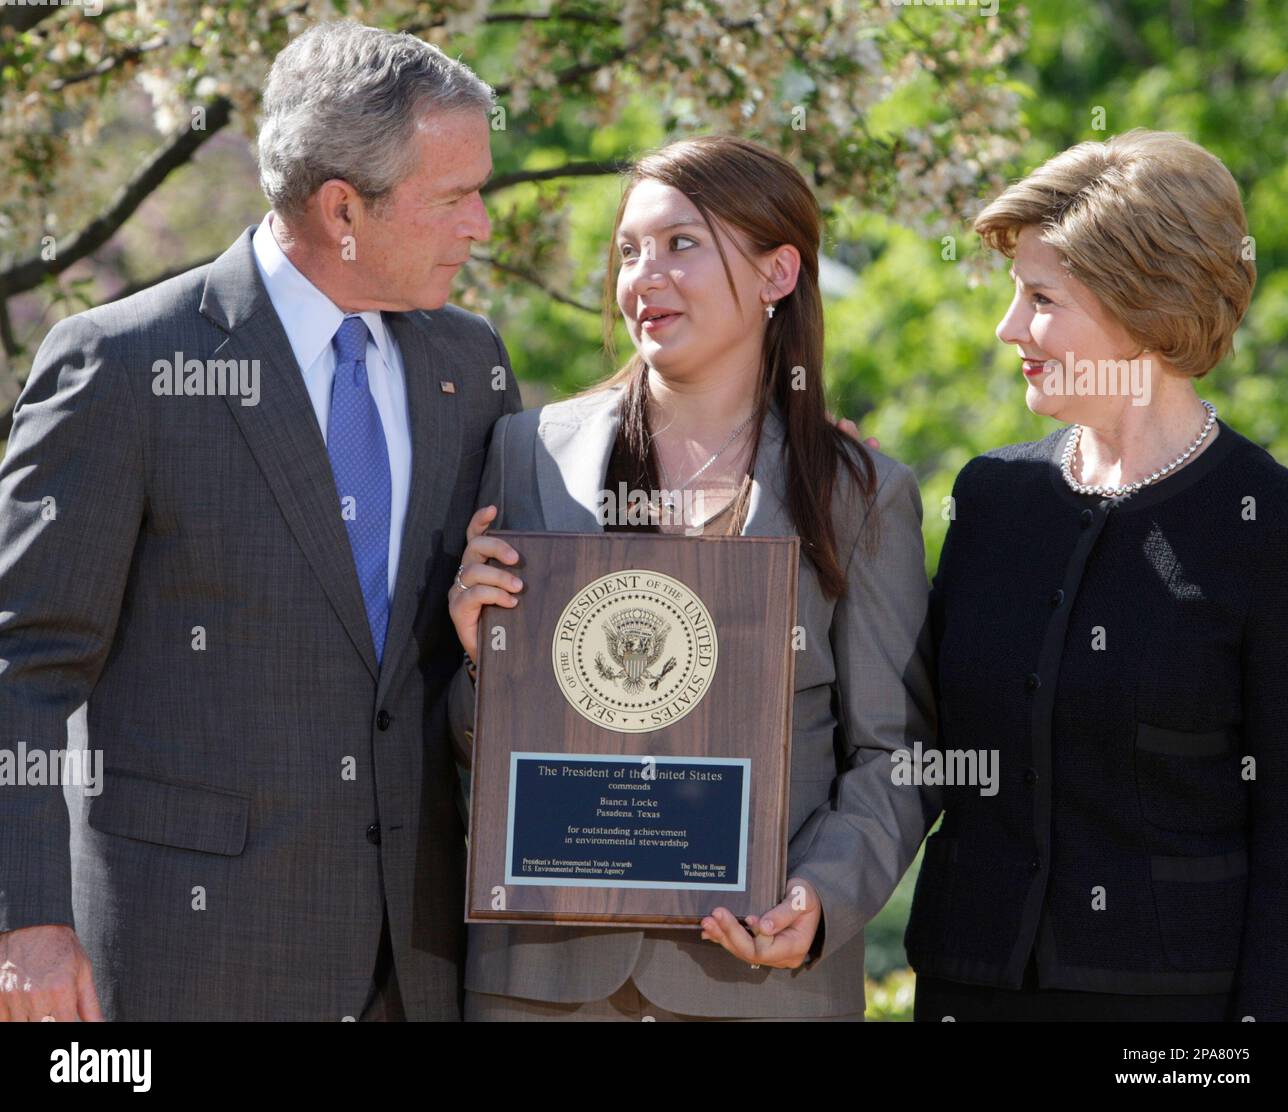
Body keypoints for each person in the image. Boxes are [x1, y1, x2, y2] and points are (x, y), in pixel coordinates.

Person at [0, 21, 519, 1021]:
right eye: (456, 196)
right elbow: (21, 661)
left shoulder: (472, 363)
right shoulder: (123, 364)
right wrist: (26, 920)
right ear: (341, 208)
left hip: (419, 966)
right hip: (183, 962)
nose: (482, 225)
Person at [446, 135, 939, 1021]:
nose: (644, 276)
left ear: (777, 272)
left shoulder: (862, 493)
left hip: (757, 980)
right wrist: (482, 661)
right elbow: (464, 750)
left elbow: (893, 755)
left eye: (682, 245)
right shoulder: (527, 454)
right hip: (543, 983)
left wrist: (820, 899)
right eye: (629, 251)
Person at [906, 129, 1288, 1021]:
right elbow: (915, 743)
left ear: (1145, 306)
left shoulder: (1270, 527)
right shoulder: (992, 497)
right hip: (967, 990)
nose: (1010, 328)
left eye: (1041, 298)